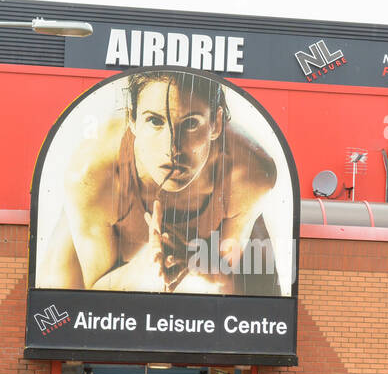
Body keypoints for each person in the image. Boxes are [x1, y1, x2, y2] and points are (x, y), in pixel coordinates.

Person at [37, 70, 281, 294]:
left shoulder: (249, 173)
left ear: (216, 123)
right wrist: (144, 265)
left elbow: (224, 272)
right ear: (131, 120)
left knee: (261, 298)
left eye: (191, 123)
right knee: (58, 295)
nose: (172, 149)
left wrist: (194, 261)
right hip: (106, 207)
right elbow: (97, 287)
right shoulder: (91, 174)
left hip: (222, 213)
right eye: (155, 121)